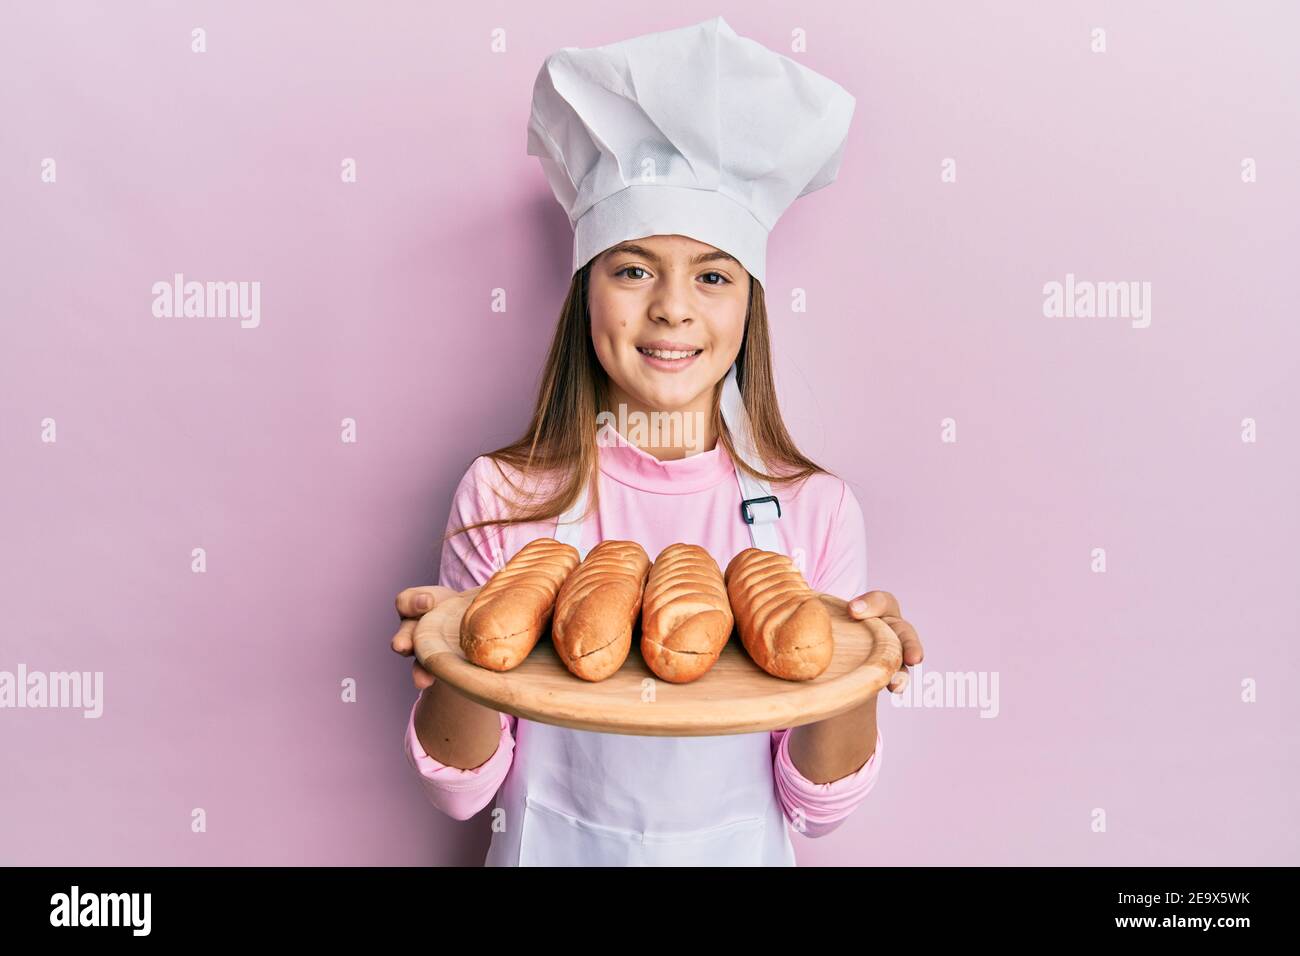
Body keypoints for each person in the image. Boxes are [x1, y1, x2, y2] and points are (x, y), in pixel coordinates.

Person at [389, 16, 924, 866]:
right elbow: (461, 792)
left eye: (712, 276)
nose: (673, 307)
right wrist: (455, 659)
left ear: (746, 309)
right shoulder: (503, 493)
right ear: (584, 296)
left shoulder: (811, 507)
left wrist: (860, 676)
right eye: (633, 269)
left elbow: (816, 809)